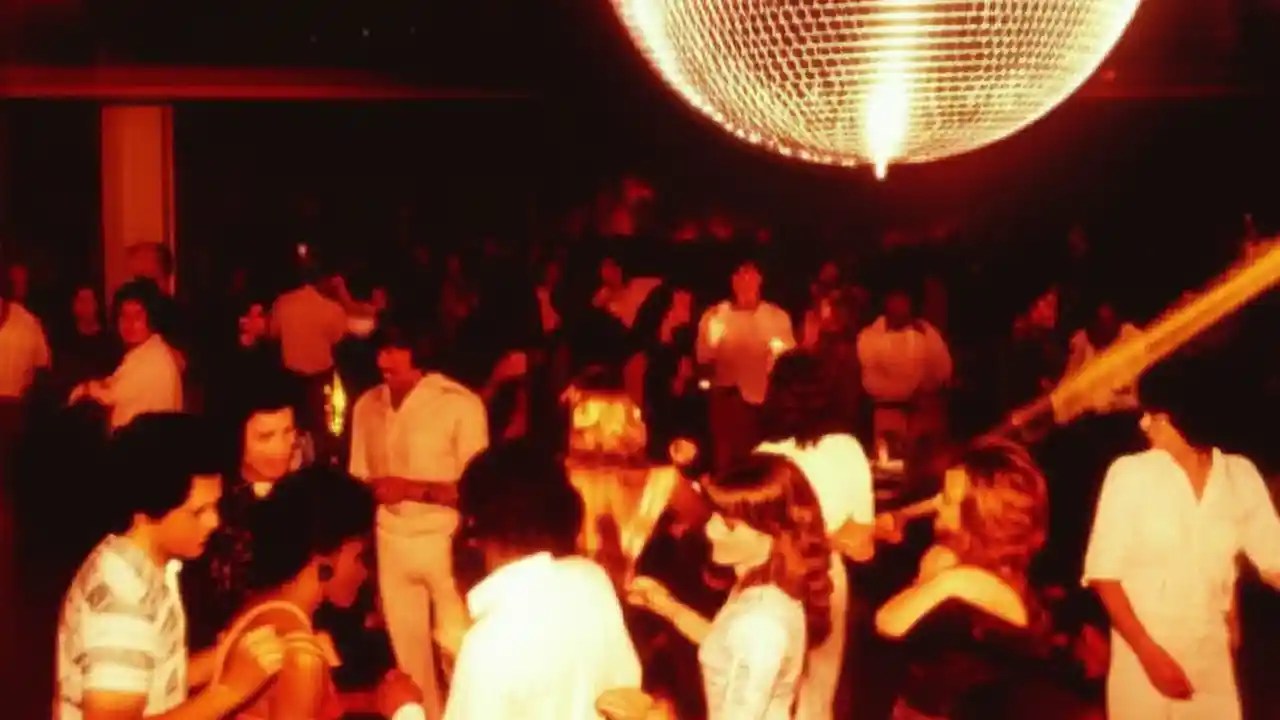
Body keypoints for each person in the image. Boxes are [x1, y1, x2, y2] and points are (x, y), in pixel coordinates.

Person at [53, 413, 291, 719]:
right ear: (147, 512)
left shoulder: (150, 568)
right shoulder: (121, 600)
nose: (214, 521)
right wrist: (230, 690)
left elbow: (152, 679)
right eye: (198, 511)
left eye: (215, 506)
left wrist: (227, 656)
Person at [1083, 361, 1280, 719]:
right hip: (1143, 664)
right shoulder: (1130, 474)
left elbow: (1273, 560)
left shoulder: (1240, 475)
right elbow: (1104, 576)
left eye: (1157, 417)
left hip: (1210, 662)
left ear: (1191, 422)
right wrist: (1149, 655)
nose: (1144, 424)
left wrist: (1230, 617)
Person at [348, 317, 488, 719]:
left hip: (445, 542)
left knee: (459, 652)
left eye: (394, 350)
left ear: (419, 349)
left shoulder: (459, 404)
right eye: (380, 350)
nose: (383, 361)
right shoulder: (366, 405)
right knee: (409, 661)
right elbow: (360, 481)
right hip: (390, 541)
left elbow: (479, 490)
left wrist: (411, 489)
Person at [625, 453, 834, 719]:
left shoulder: (761, 624)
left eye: (728, 526)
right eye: (715, 516)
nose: (711, 530)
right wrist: (666, 605)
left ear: (773, 536)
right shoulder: (761, 591)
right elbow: (726, 644)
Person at [444, 441, 642, 719]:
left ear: (473, 528)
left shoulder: (487, 646)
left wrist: (405, 710)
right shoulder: (592, 581)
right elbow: (627, 691)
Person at [875, 437, 1065, 720]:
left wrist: (937, 576)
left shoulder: (968, 581)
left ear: (982, 513)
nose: (937, 504)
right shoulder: (972, 569)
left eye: (948, 498)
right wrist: (905, 515)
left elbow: (888, 623)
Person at [210, 467, 422, 719]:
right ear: (325, 555)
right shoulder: (301, 656)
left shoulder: (259, 611)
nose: (365, 573)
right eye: (361, 557)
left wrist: (374, 701)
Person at [755, 350, 877, 720]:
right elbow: (862, 546)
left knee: (771, 693)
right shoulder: (847, 449)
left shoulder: (764, 456)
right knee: (819, 696)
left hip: (772, 581)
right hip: (827, 579)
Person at [184, 381, 307, 650]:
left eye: (288, 432)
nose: (280, 447)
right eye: (265, 437)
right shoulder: (213, 504)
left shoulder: (307, 494)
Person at [696, 258, 795, 472]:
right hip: (727, 408)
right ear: (732, 280)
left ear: (760, 279)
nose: (746, 280)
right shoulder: (715, 317)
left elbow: (788, 364)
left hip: (766, 408)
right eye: (740, 274)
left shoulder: (776, 318)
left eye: (751, 274)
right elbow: (703, 363)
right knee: (727, 466)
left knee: (763, 467)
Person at [70, 279, 183, 431]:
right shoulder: (146, 350)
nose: (129, 324)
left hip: (146, 441)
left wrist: (85, 388)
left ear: (151, 318)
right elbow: (114, 382)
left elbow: (110, 394)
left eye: (137, 317)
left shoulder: (153, 358)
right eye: (124, 316)